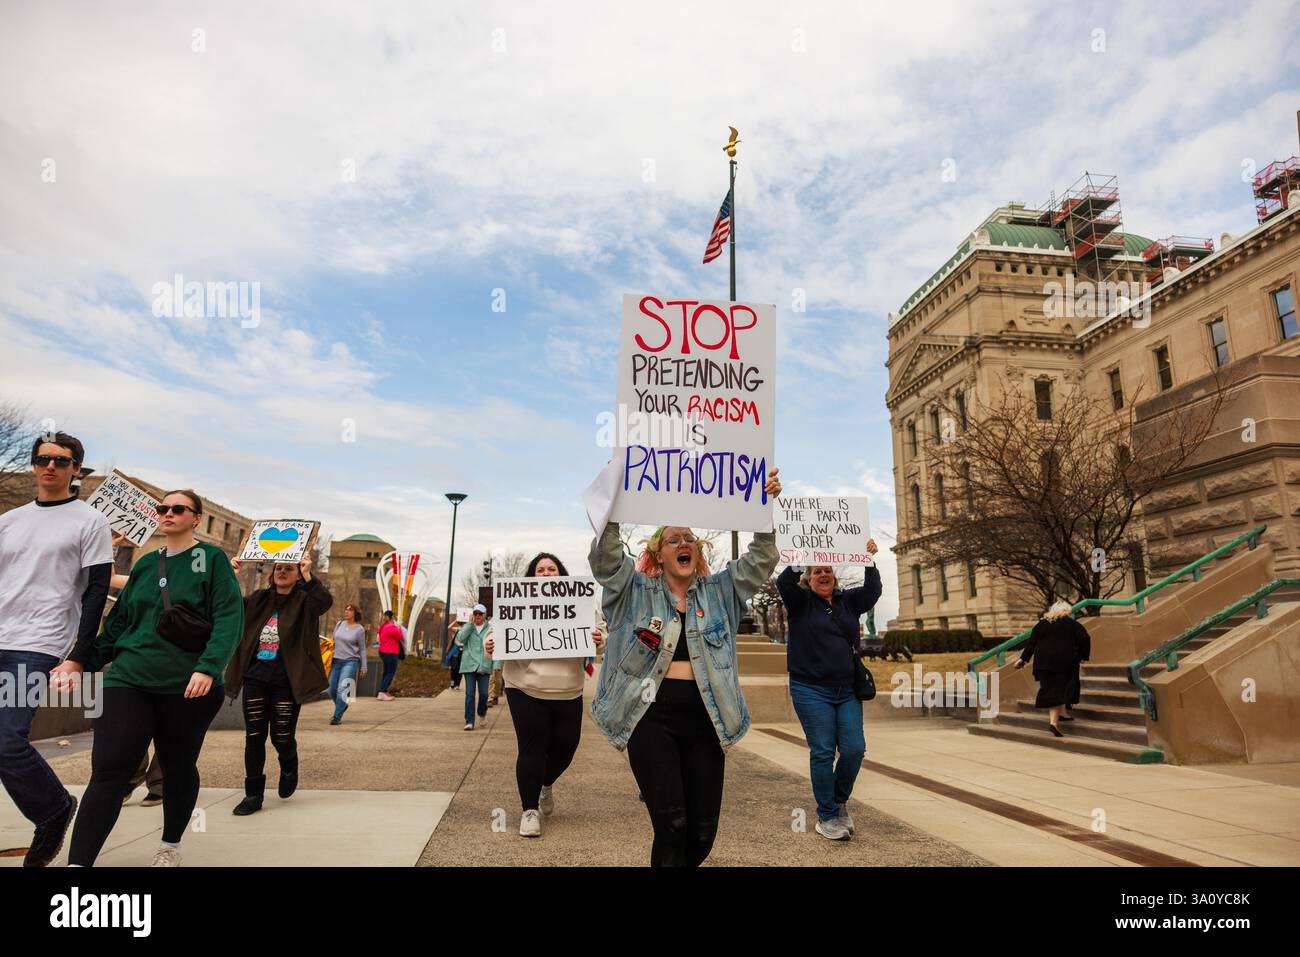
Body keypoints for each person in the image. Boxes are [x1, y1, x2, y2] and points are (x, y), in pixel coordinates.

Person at [589, 467, 782, 867]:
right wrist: (619, 503)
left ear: (698, 552)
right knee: (671, 824)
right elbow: (606, 558)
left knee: (701, 832)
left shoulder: (722, 590)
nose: (683, 542)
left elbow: (762, 558)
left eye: (690, 538)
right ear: (658, 554)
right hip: (649, 716)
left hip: (707, 719)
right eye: (673, 538)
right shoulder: (633, 590)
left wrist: (765, 506)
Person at [64, 489, 243, 866]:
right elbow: (118, 624)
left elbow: (229, 618)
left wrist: (208, 667)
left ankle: (171, 845)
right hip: (128, 678)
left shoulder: (212, 560)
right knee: (110, 767)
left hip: (187, 683)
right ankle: (79, 863)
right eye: (163, 508)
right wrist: (81, 661)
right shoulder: (147, 565)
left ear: (196, 518)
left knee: (177, 766)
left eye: (178, 508)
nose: (168, 513)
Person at [0, 432, 113, 866]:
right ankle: (50, 808)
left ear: (75, 469)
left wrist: (78, 653)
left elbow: (96, 590)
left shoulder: (89, 521)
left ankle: (53, 809)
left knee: (8, 741)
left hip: (37, 643)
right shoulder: (10, 519)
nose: (51, 466)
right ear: (33, 465)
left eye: (61, 461)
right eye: (43, 459)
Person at [483, 553, 604, 837]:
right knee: (532, 749)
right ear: (532, 575)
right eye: (540, 569)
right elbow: (496, 630)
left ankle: (545, 783)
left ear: (560, 574)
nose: (546, 573)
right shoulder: (516, 599)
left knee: (566, 747)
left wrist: (599, 639)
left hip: (568, 688)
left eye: (552, 569)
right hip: (523, 686)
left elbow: (599, 633)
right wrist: (492, 643)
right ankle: (529, 810)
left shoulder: (582, 601)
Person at [776, 549, 882, 841]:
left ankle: (838, 800)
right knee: (822, 751)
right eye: (817, 571)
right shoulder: (800, 603)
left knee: (854, 749)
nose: (823, 574)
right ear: (809, 579)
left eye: (827, 571)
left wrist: (868, 559)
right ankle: (827, 816)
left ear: (834, 577)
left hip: (847, 690)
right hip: (810, 689)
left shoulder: (849, 601)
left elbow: (873, 590)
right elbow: (784, 583)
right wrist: (798, 555)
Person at [224, 555, 333, 815]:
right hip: (255, 677)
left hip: (286, 680)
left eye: (289, 569)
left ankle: (289, 762)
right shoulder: (259, 599)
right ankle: (253, 794)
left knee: (281, 736)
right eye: (279, 568)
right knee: (254, 736)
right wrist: (230, 576)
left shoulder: (305, 602)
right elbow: (228, 606)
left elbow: (324, 602)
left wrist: (309, 576)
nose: (283, 572)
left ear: (297, 574)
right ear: (272, 574)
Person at [1015, 600, 1090, 736]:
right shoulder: (1072, 624)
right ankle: (1053, 723)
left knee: (1052, 688)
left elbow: (1031, 644)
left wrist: (1023, 659)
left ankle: (1063, 714)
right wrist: (1083, 656)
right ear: (1066, 611)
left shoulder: (1041, 624)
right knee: (1060, 690)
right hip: (1065, 662)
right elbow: (1085, 638)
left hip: (1043, 663)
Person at [328, 602, 367, 725]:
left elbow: (362, 649)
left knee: (342, 689)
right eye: (345, 609)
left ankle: (336, 717)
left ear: (355, 613)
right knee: (331, 689)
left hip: (350, 662)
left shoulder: (359, 629)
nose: (346, 612)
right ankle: (342, 705)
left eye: (349, 610)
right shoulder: (339, 624)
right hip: (335, 661)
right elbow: (333, 640)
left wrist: (364, 666)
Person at [456, 604, 492, 730]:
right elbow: (460, 639)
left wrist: (497, 664)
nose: (477, 616)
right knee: (470, 694)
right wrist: (470, 625)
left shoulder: (491, 628)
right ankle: (469, 721)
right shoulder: (468, 627)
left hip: (484, 664)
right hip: (469, 665)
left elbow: (495, 646)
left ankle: (482, 713)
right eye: (475, 613)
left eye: (480, 614)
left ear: (485, 614)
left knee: (484, 694)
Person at [375, 610, 403, 700]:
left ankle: (384, 691)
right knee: (390, 672)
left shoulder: (383, 626)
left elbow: (378, 633)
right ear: (392, 618)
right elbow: (400, 636)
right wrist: (398, 627)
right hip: (391, 652)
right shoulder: (391, 627)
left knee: (386, 672)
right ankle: (382, 692)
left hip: (383, 652)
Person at [444, 620, 464, 689]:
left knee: (460, 669)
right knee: (454, 668)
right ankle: (453, 681)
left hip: (463, 651)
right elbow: (449, 627)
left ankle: (457, 684)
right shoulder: (457, 629)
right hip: (455, 651)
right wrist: (456, 619)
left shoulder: (467, 629)